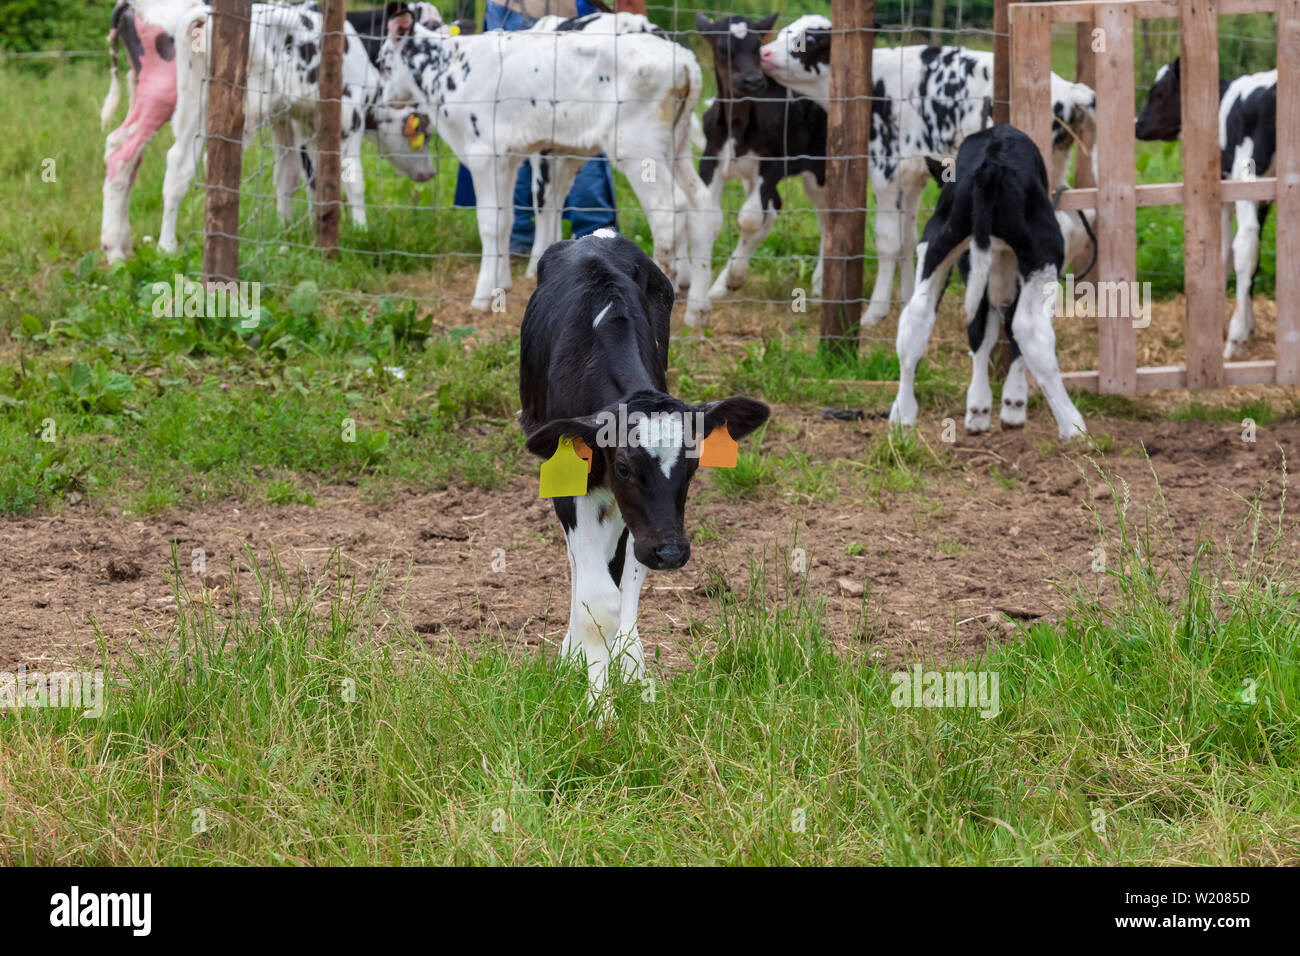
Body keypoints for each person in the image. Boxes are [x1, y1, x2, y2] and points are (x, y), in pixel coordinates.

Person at [452, 0, 619, 256]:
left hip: (507, 9)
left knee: (511, 124)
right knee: (579, 122)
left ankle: (519, 237)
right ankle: (595, 237)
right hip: (565, 10)